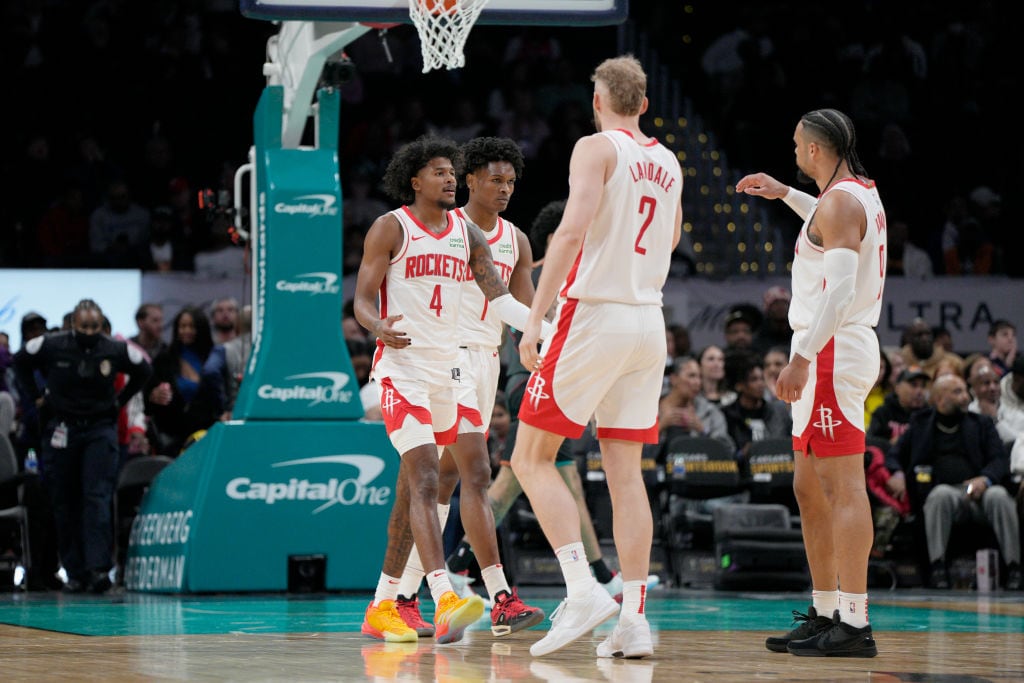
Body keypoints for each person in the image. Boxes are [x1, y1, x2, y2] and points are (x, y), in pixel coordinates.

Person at [510, 55, 683, 659]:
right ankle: (632, 621)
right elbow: (674, 234)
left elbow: (572, 229)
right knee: (624, 470)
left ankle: (582, 587)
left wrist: (536, 317)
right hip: (648, 320)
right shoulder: (667, 160)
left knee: (530, 457)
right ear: (643, 104)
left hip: (596, 313)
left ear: (598, 101)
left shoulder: (595, 146)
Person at [353, 135, 548, 645]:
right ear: (417, 180)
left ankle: (390, 601)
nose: (447, 177)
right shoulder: (390, 226)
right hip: (406, 367)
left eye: (449, 170)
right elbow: (361, 301)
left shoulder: (471, 236)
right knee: (428, 478)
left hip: (454, 371)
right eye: (440, 172)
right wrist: (377, 326)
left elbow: (503, 300)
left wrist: (550, 332)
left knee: (448, 479)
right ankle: (447, 596)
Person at [737, 107, 885, 657]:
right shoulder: (843, 196)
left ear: (817, 150)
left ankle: (854, 621)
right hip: (827, 348)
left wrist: (801, 357)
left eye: (798, 145)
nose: (794, 152)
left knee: (842, 484)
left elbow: (839, 291)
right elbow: (824, 226)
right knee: (807, 486)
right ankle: (826, 609)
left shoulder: (843, 201)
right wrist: (785, 195)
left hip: (830, 350)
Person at [444, 198, 623, 605]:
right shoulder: (543, 277)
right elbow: (527, 333)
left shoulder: (581, 278)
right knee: (510, 479)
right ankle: (457, 565)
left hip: (557, 383)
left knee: (567, 481)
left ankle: (599, 575)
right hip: (532, 381)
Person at [13, 299, 152, 593]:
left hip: (100, 428)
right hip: (62, 426)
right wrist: (37, 396)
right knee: (64, 499)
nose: (89, 331)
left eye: (94, 326)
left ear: (102, 326)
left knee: (97, 498)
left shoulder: (113, 348)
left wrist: (120, 401)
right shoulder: (51, 344)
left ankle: (98, 570)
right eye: (83, 326)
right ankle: (75, 571)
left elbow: (144, 370)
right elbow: (20, 362)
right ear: (72, 324)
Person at [885, 374, 1021, 590]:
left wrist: (984, 480)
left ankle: (1015, 568)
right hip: (948, 495)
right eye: (957, 392)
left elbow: (1000, 459)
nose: (965, 397)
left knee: (1000, 496)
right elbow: (894, 454)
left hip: (980, 495)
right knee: (940, 495)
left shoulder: (981, 423)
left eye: (965, 390)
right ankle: (937, 568)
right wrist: (897, 475)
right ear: (939, 399)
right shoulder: (921, 424)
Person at [144, 306, 220, 456]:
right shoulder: (164, 359)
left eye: (191, 326)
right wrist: (153, 395)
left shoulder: (214, 357)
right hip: (171, 437)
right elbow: (147, 396)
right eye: (182, 326)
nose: (186, 331)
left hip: (206, 435)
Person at [867, 365, 928, 444]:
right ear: (897, 388)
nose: (920, 391)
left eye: (923, 386)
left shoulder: (928, 415)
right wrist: (889, 445)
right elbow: (871, 443)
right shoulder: (883, 413)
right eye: (914, 385)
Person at [753, 286, 794, 355]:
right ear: (767, 308)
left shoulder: (798, 335)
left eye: (784, 303)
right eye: (776, 303)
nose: (781, 307)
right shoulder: (759, 338)